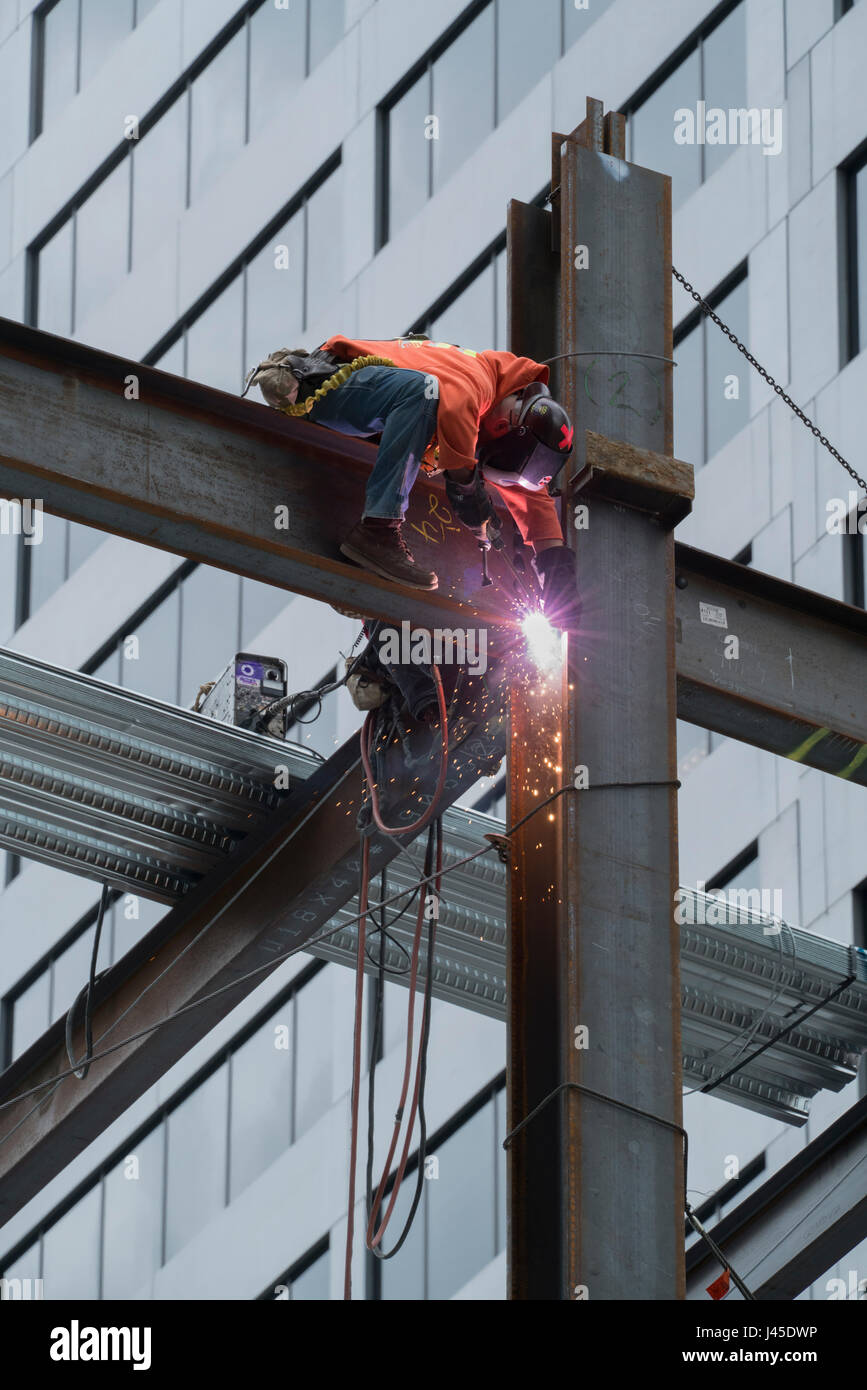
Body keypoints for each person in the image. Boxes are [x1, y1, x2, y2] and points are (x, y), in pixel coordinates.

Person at [244, 335, 581, 630]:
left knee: (420, 450)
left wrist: (557, 574)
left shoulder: (499, 406)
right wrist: (466, 487)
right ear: (506, 425)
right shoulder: (479, 379)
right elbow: (458, 404)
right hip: (331, 385)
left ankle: (371, 558)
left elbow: (533, 499)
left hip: (368, 421)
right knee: (425, 393)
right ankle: (378, 530)